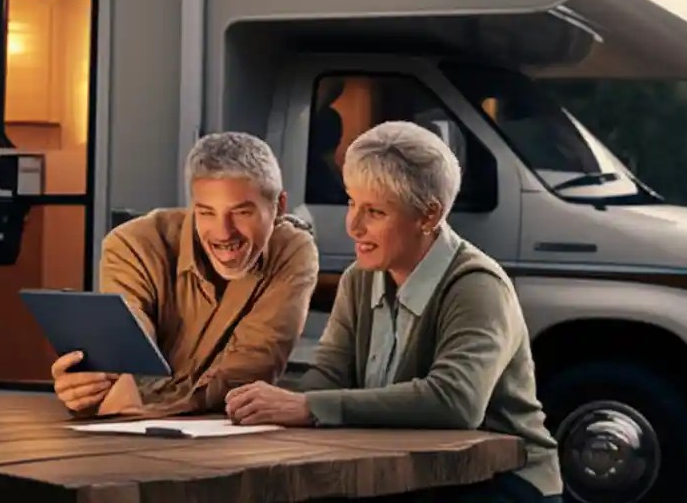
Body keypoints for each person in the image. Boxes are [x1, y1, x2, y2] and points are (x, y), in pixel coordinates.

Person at [223, 121, 565, 503]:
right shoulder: (359, 279)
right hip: (409, 474)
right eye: (351, 202)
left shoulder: (476, 285)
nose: (353, 226)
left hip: (501, 477)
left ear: (429, 216)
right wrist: (271, 406)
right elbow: (330, 375)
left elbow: (455, 401)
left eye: (375, 211)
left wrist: (308, 407)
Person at [51, 131, 320, 419]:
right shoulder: (134, 243)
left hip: (217, 431)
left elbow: (250, 370)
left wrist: (146, 403)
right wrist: (89, 383)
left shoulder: (292, 250)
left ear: (279, 207)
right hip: (133, 425)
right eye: (206, 213)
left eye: (241, 213)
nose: (223, 233)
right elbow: (128, 342)